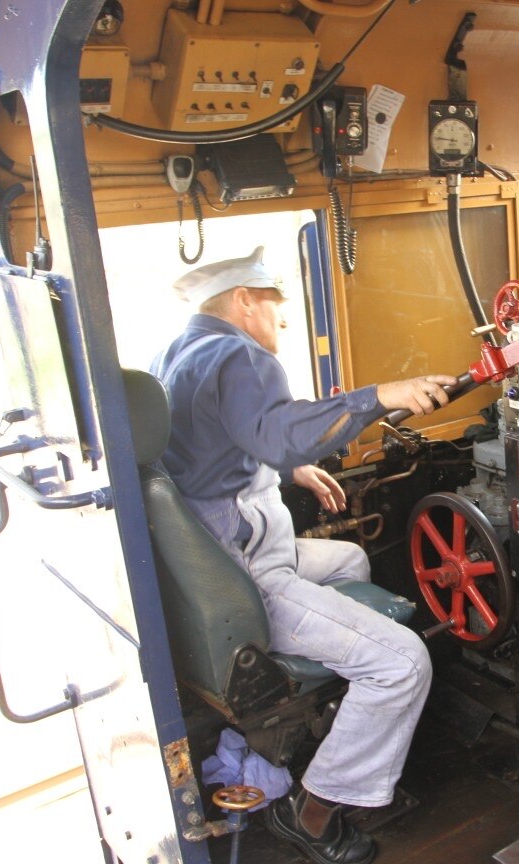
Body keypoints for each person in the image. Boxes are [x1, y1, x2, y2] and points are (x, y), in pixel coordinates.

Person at [152, 247, 457, 864]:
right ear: (243, 301)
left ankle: (323, 715)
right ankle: (313, 811)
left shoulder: (177, 353)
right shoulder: (239, 353)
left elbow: (227, 437)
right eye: (275, 307)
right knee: (405, 663)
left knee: (349, 563)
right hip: (242, 571)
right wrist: (382, 394)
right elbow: (279, 426)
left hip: (223, 547)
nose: (282, 323)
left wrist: (294, 465)